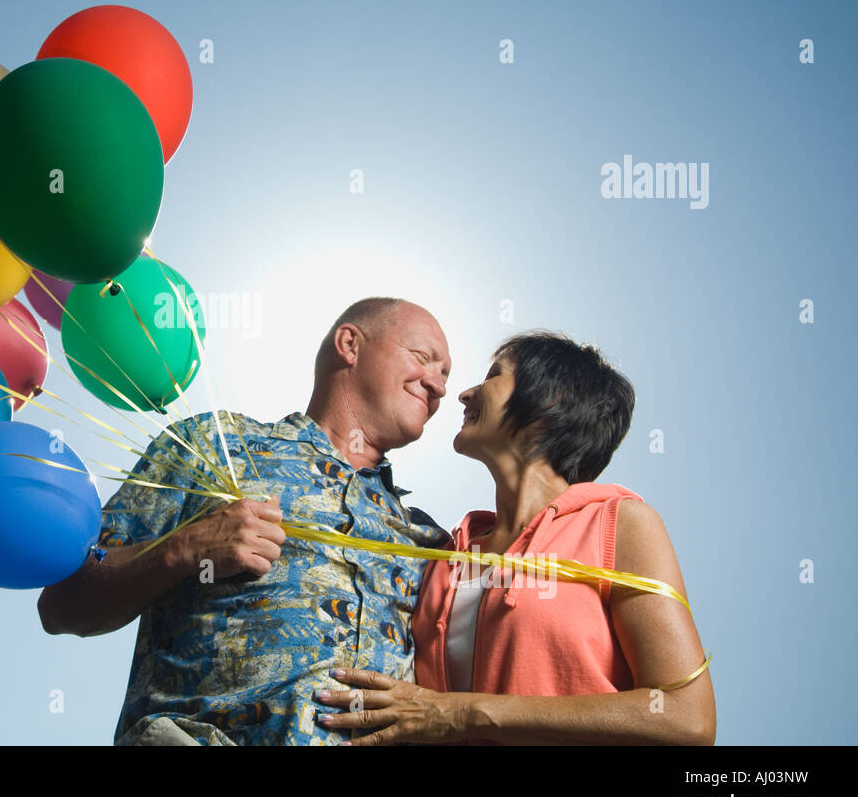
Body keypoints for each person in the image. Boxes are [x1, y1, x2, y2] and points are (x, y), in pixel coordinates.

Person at [37, 297, 454, 745]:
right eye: (423, 358)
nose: (438, 386)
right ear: (349, 345)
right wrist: (184, 549)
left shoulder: (428, 542)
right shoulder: (215, 446)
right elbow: (63, 604)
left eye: (446, 374)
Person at [316, 331, 716, 744]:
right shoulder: (441, 555)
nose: (464, 394)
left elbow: (687, 719)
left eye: (493, 375)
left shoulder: (619, 525)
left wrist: (465, 713)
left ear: (551, 401)